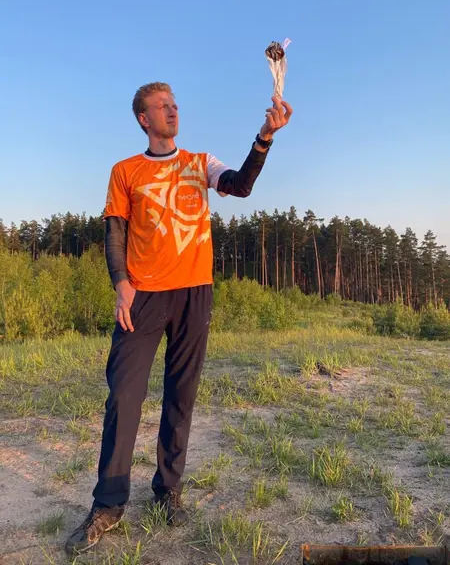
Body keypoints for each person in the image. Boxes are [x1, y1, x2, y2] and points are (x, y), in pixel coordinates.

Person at [65, 82, 292, 555]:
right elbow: (115, 231)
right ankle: (108, 504)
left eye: (174, 105)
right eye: (162, 106)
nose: (172, 111)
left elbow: (240, 185)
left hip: (194, 293)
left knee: (181, 396)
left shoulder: (199, 162)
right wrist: (121, 283)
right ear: (143, 119)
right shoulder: (125, 171)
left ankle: (168, 491)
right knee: (124, 396)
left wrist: (265, 137)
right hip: (143, 296)